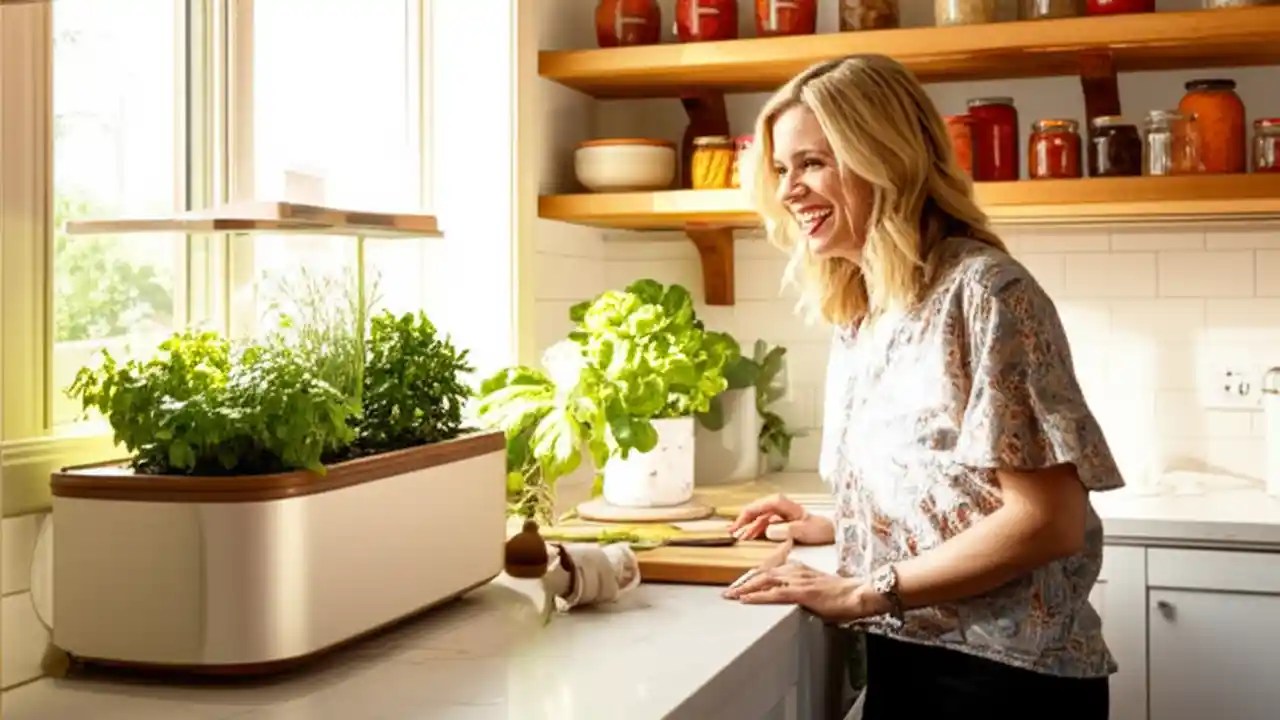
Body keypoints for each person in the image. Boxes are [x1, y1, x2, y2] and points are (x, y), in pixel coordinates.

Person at [721, 54, 1124, 719]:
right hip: (912, 661)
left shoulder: (985, 292)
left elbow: (1047, 522)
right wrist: (838, 524)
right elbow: (955, 492)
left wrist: (861, 591)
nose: (790, 190)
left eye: (812, 163)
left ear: (885, 156)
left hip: (1005, 683)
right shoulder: (864, 310)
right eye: (782, 170)